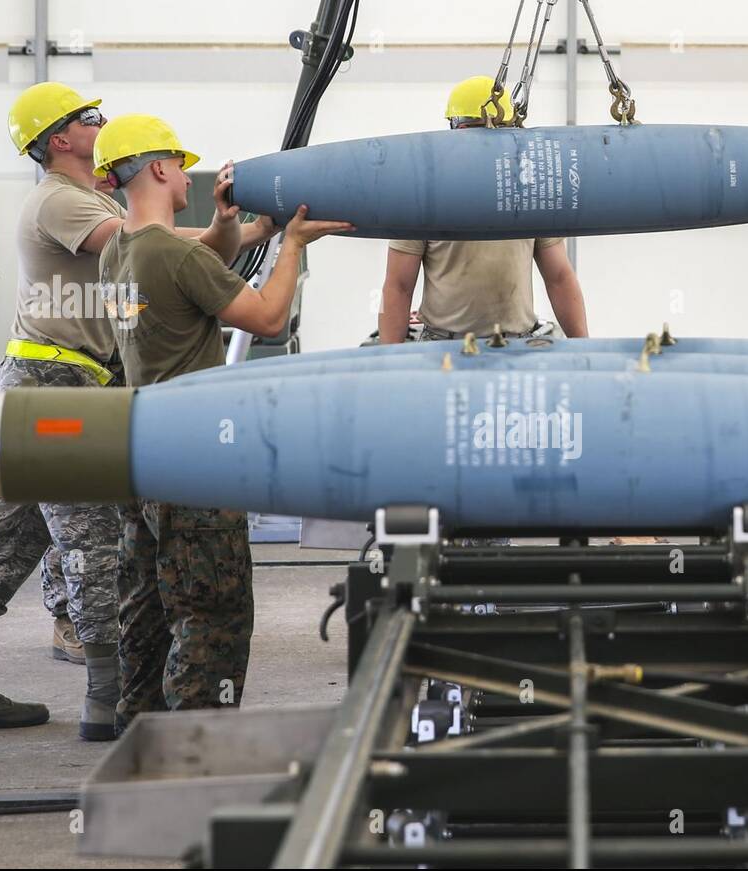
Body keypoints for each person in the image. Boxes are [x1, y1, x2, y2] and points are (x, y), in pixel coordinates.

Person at [0, 83, 275, 741]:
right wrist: (250, 231)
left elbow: (171, 251)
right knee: (92, 536)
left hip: (47, 380)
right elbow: (159, 247)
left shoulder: (89, 198)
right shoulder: (62, 201)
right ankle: (105, 699)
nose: (103, 122)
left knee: (6, 536)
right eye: (89, 117)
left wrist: (238, 229)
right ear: (58, 138)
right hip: (56, 383)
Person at [92, 114, 352, 734]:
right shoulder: (175, 256)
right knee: (212, 614)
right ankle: (198, 745)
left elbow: (193, 263)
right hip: (198, 464)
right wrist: (289, 246)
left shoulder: (120, 252)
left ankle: (140, 732)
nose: (187, 173)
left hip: (140, 457)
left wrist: (234, 225)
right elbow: (265, 318)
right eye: (180, 163)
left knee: (149, 606)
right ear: (158, 168)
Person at [378, 77, 589, 345]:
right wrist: (388, 358)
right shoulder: (423, 194)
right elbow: (397, 286)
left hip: (515, 344)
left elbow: (559, 278)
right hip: (445, 346)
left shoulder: (529, 192)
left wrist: (583, 346)